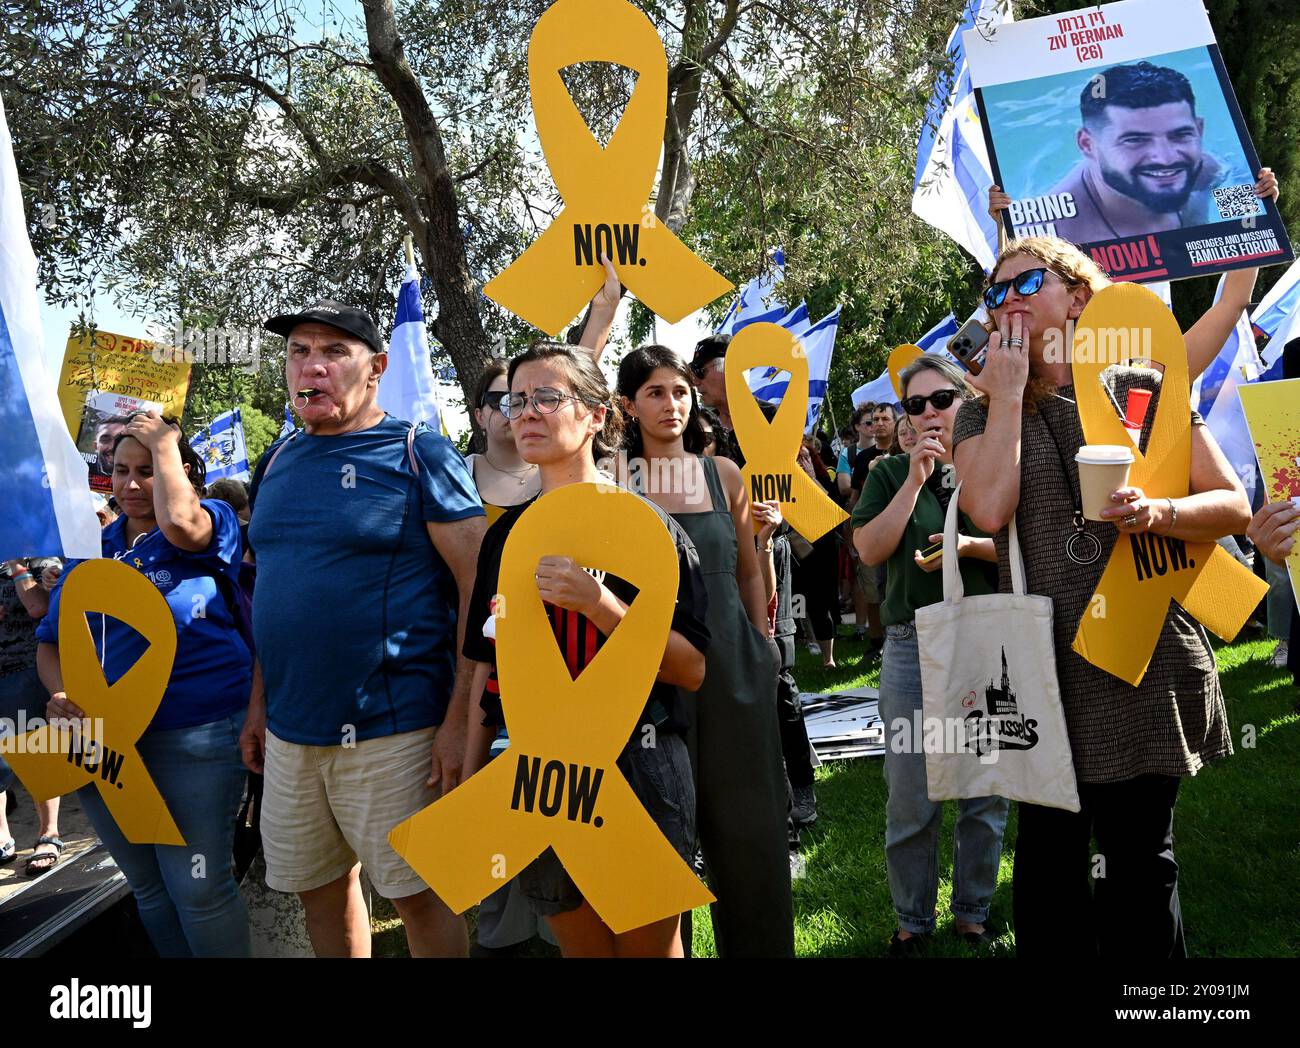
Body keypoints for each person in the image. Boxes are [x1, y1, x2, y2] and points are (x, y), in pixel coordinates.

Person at [952, 236, 1260, 958]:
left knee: (1140, 867)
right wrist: (1001, 395)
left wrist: (1160, 514)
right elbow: (990, 509)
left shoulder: (1137, 385)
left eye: (1024, 282)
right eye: (993, 295)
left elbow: (1231, 505)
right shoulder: (980, 413)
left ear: (1079, 295)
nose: (1007, 301)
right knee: (1048, 870)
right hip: (1039, 668)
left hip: (1141, 651)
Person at [240, 300, 486, 958]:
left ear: (375, 368)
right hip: (291, 737)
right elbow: (272, 591)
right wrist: (259, 705)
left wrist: (464, 716)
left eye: (333, 352)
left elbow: (479, 586)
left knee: (420, 898)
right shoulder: (275, 462)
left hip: (396, 729)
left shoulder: (418, 453)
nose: (311, 366)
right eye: (298, 351)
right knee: (319, 891)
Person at [461, 342, 710, 958]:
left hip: (639, 760)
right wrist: (470, 779)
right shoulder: (502, 539)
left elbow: (692, 669)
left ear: (598, 416)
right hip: (539, 771)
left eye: (548, 397)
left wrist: (599, 604)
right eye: (515, 401)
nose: (527, 413)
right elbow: (485, 671)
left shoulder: (650, 530)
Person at [35, 412, 253, 956]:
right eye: (121, 470)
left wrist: (166, 443)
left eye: (149, 469)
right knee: (150, 889)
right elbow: (52, 641)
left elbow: (180, 525)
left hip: (196, 735)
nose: (132, 485)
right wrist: (60, 694)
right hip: (104, 744)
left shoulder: (213, 519)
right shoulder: (93, 546)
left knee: (199, 888)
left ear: (183, 473)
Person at [616, 345, 794, 957]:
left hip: (733, 664)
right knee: (658, 830)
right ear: (627, 406)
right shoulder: (612, 476)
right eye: (655, 393)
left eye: (680, 392)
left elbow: (748, 570)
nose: (672, 404)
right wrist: (606, 310)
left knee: (749, 825)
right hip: (644, 668)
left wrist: (763, 640)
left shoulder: (724, 475)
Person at [852, 357, 1007, 955]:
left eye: (940, 399)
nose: (927, 414)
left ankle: (972, 914)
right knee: (911, 793)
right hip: (910, 645)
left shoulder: (992, 467)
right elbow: (868, 550)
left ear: (966, 399)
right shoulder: (890, 472)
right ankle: (912, 922)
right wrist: (915, 482)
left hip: (984, 640)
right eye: (913, 406)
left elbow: (1027, 543)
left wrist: (967, 546)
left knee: (983, 791)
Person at [1026, 62, 1247, 243]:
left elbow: (1251, 236)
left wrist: (1263, 198)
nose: (1166, 157)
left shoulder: (1207, 171)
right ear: (1087, 144)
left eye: (1180, 135)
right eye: (1135, 140)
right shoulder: (1054, 235)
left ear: (1199, 131)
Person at [0, 556, 64, 874]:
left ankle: (48, 833)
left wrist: (17, 566)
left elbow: (39, 607)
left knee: (35, 752)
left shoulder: (43, 560)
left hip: (25, 671)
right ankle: (2, 838)